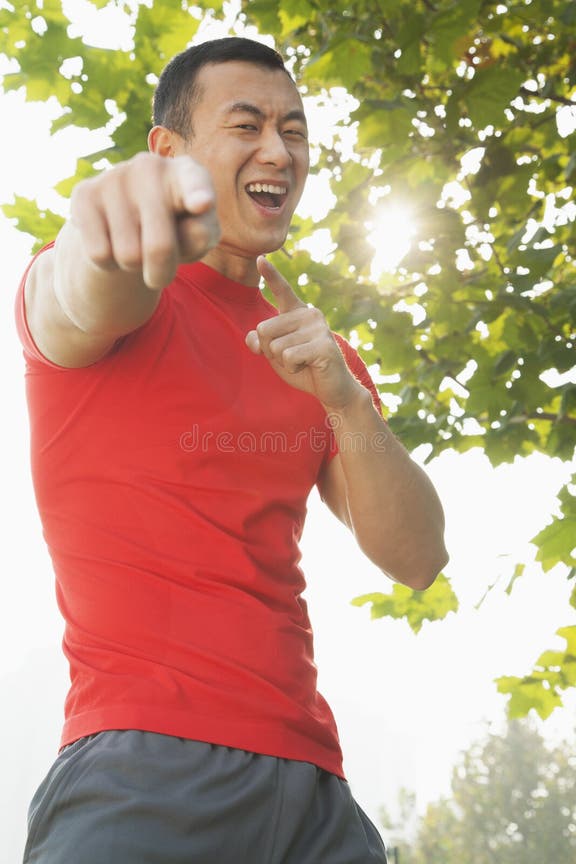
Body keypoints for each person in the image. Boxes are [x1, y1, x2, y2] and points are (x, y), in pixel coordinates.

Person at [16, 36, 448, 864]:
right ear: (167, 151)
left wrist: (345, 397)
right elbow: (78, 290)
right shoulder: (112, 299)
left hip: (318, 796)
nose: (277, 151)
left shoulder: (315, 351)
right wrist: (108, 232)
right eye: (245, 124)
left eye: (294, 130)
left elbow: (419, 556)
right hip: (144, 771)